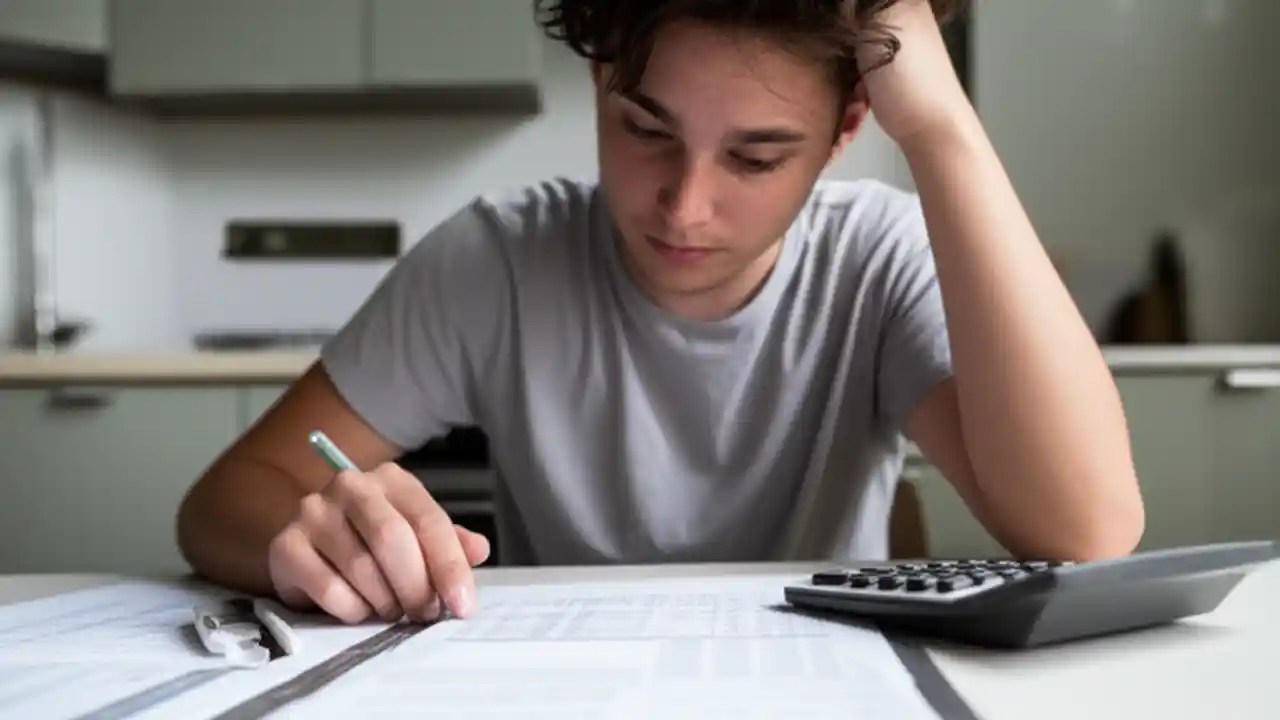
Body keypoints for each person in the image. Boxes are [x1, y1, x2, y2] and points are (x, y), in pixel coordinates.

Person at [176, 0, 1145, 626]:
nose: (683, 206)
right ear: (600, 81)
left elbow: (1086, 528)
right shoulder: (495, 263)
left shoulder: (875, 259)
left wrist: (940, 129)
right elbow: (226, 498)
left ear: (846, 130)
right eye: (644, 130)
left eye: (755, 157)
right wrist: (310, 537)